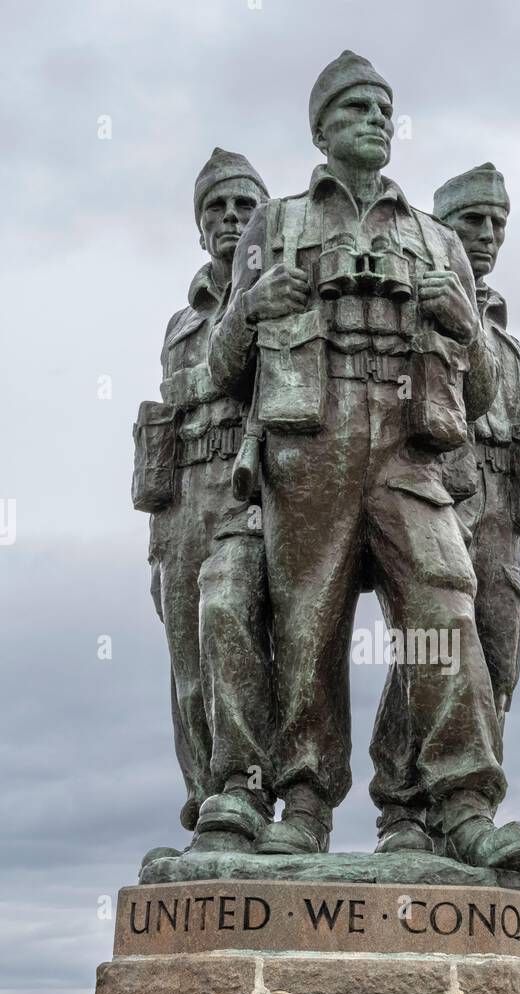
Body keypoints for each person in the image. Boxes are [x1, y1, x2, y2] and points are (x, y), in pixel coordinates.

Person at [210, 53, 520, 871]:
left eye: (385, 109)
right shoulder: (275, 226)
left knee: (444, 605)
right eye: (356, 108)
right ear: (321, 128)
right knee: (308, 625)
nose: (375, 120)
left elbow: (480, 398)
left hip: (406, 450)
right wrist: (252, 310)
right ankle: (302, 802)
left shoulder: (435, 240)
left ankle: (460, 802)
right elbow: (223, 369)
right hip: (308, 447)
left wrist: (462, 323)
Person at [136, 148, 274, 847]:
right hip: (182, 493)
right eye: (215, 208)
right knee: (188, 665)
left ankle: (244, 786)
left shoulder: (281, 290)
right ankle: (207, 811)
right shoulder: (179, 323)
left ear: (263, 219)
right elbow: (171, 409)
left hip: (250, 486)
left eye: (243, 206)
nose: (228, 218)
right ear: (199, 227)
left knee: (230, 623)